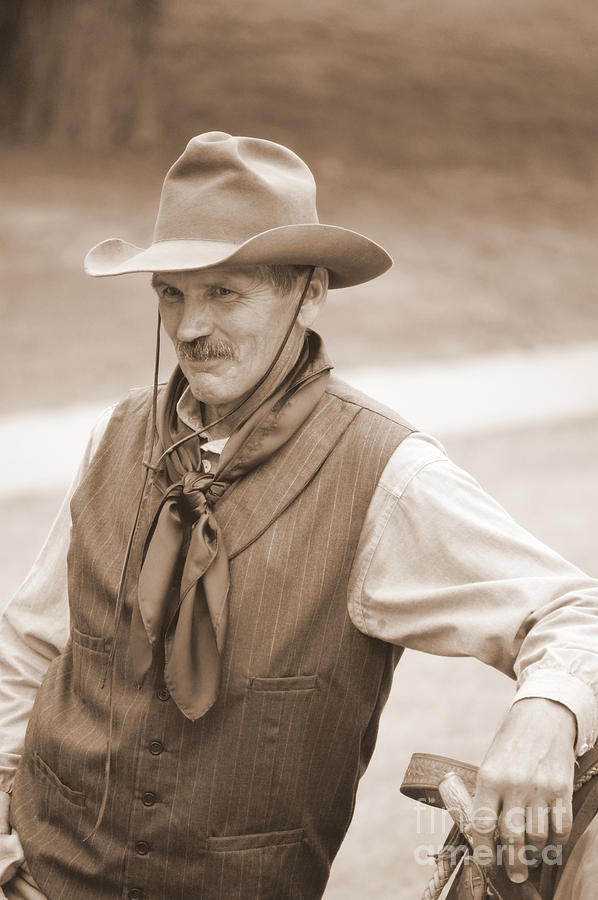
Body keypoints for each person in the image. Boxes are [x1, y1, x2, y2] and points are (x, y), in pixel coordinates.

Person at [0, 131, 597, 900]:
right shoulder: (114, 438)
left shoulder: (384, 475)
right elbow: (29, 645)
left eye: (224, 292)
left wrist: (546, 712)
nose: (189, 328)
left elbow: (575, 610)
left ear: (309, 291)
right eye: (172, 293)